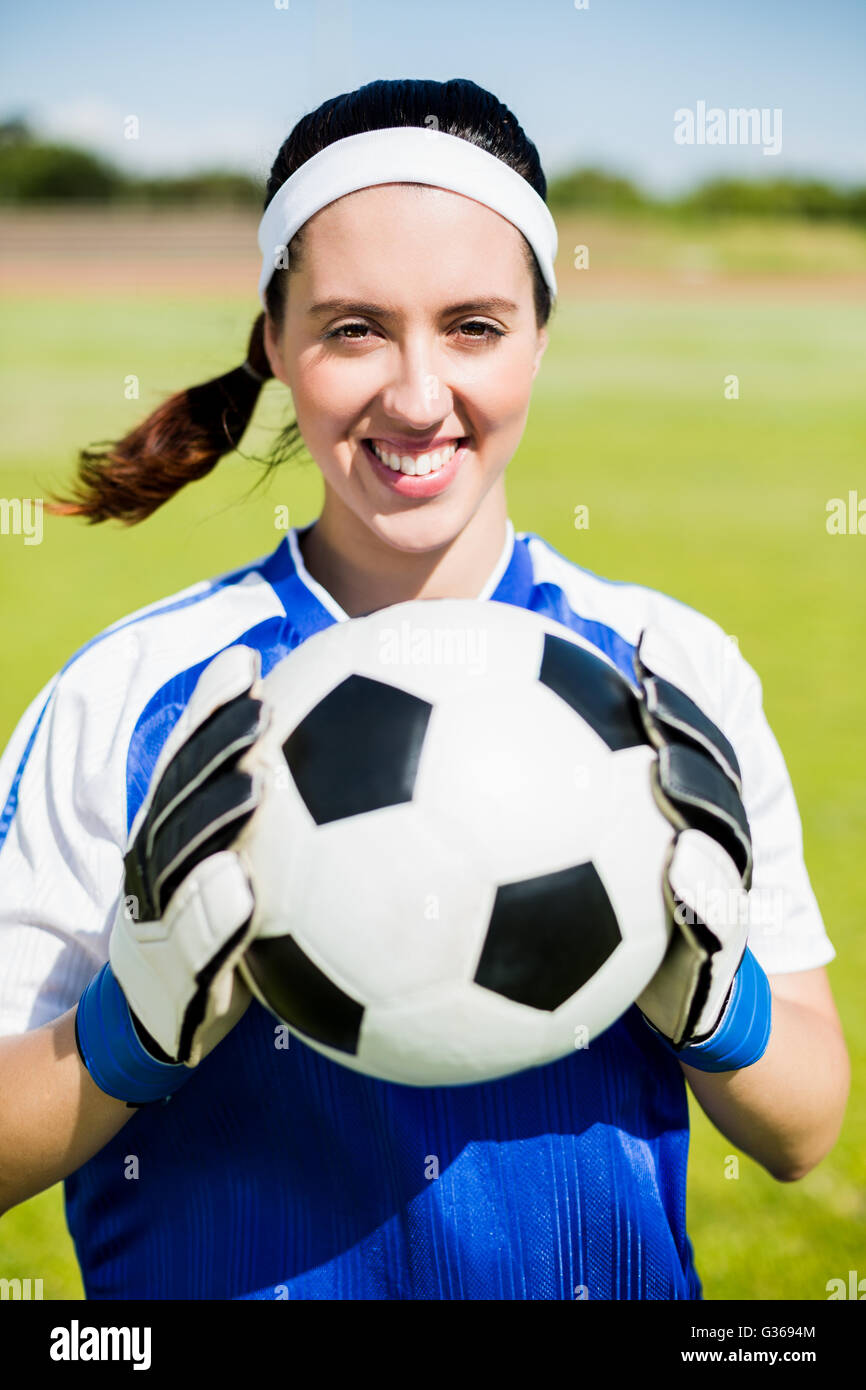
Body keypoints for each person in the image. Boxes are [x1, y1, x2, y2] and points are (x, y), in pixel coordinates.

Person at [0, 78, 849, 1300]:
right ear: (274, 341)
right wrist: (123, 1037)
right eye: (352, 327)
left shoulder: (666, 674)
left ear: (541, 335)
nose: (413, 394)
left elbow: (802, 1129)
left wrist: (718, 1003)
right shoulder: (136, 693)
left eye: (472, 325)